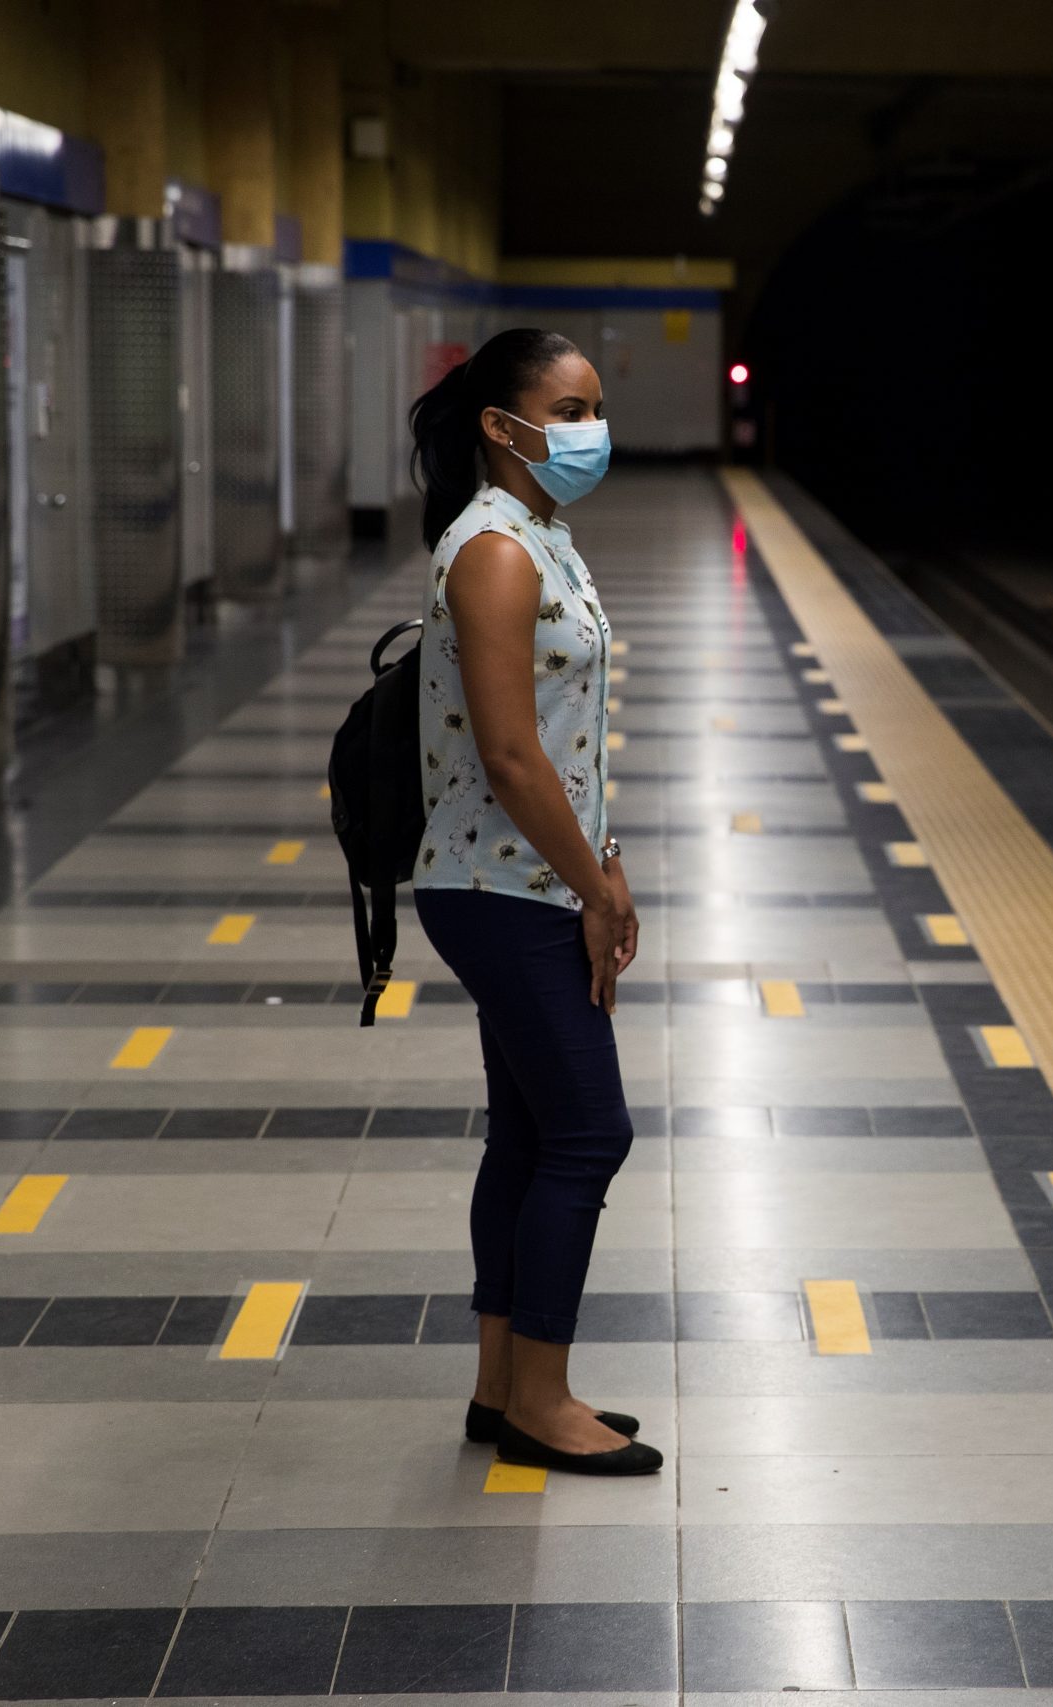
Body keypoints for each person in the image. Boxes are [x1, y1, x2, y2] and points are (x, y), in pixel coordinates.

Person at [405, 329, 657, 1475]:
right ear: (501, 430)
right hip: (499, 886)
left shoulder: (538, 534)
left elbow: (564, 741)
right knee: (590, 1134)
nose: (588, 429)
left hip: (531, 877)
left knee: (529, 1131)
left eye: (594, 405)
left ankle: (501, 1384)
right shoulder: (495, 553)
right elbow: (509, 756)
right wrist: (590, 891)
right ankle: (544, 1402)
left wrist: (605, 863)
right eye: (567, 409)